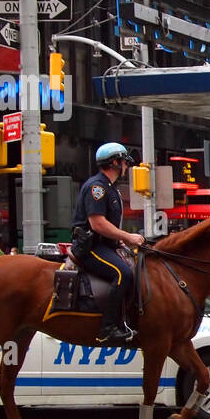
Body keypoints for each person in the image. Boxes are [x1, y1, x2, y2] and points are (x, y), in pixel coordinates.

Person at [72, 142, 144, 343]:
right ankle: (108, 327)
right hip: (90, 246)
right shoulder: (97, 187)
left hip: (106, 244)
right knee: (123, 273)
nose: (126, 167)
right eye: (124, 162)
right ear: (115, 162)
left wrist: (121, 243)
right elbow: (98, 224)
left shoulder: (110, 188)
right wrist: (128, 237)